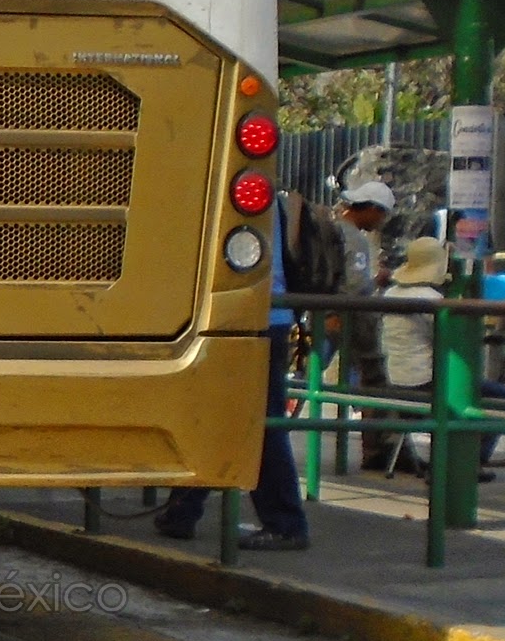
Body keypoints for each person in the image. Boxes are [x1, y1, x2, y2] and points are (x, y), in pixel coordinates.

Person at [155, 205, 309, 551]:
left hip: (243, 317)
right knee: (223, 418)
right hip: (266, 316)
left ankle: (286, 522)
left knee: (256, 422)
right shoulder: (265, 194)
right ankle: (182, 511)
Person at [380, 236, 505, 481]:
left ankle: (450, 460)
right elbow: (453, 338)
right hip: (427, 384)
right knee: (501, 397)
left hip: (396, 381)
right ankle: (471, 462)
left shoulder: (392, 293)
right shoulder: (431, 299)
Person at [335, 180, 398, 471]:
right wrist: (377, 282)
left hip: (323, 313)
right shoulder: (355, 240)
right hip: (348, 317)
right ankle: (376, 450)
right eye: (381, 214)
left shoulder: (331, 227)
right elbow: (356, 287)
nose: (381, 221)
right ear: (370, 209)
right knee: (374, 379)